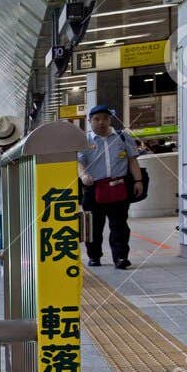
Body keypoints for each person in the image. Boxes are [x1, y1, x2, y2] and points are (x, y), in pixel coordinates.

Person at [79, 104, 144, 269]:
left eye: (105, 118)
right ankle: (94, 256)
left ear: (110, 120)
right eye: (97, 119)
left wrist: (138, 181)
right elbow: (79, 162)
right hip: (93, 189)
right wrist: (83, 176)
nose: (101, 122)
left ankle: (120, 257)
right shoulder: (84, 140)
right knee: (92, 226)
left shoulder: (122, 137)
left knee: (119, 225)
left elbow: (132, 160)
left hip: (118, 187)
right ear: (89, 121)